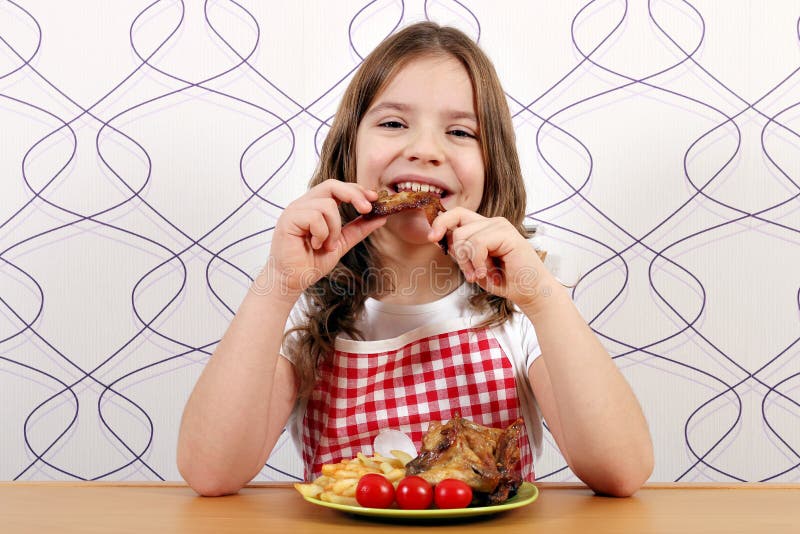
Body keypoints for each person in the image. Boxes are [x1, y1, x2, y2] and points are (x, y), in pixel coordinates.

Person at [176, 21, 653, 498]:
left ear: (494, 166)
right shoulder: (306, 300)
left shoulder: (521, 301)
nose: (425, 150)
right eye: (393, 123)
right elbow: (212, 473)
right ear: (349, 148)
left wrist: (544, 299)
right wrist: (278, 286)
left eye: (460, 131)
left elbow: (621, 471)